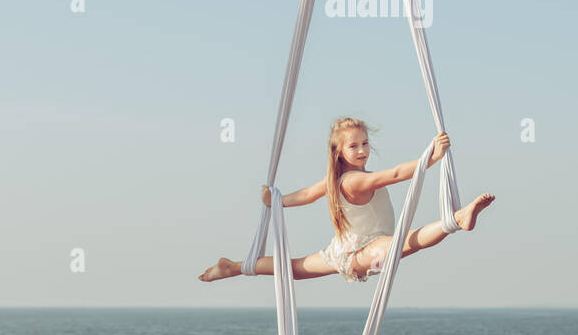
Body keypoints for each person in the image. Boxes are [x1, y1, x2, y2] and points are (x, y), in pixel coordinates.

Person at [199, 117, 493, 283]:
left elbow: (304, 195)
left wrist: (276, 199)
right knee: (405, 242)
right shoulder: (354, 180)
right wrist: (432, 157)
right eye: (354, 146)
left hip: (343, 250)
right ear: (339, 151)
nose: (362, 150)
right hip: (362, 250)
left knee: (296, 269)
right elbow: (395, 174)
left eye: (365, 143)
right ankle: (455, 220)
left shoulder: (333, 180)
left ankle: (237, 266)